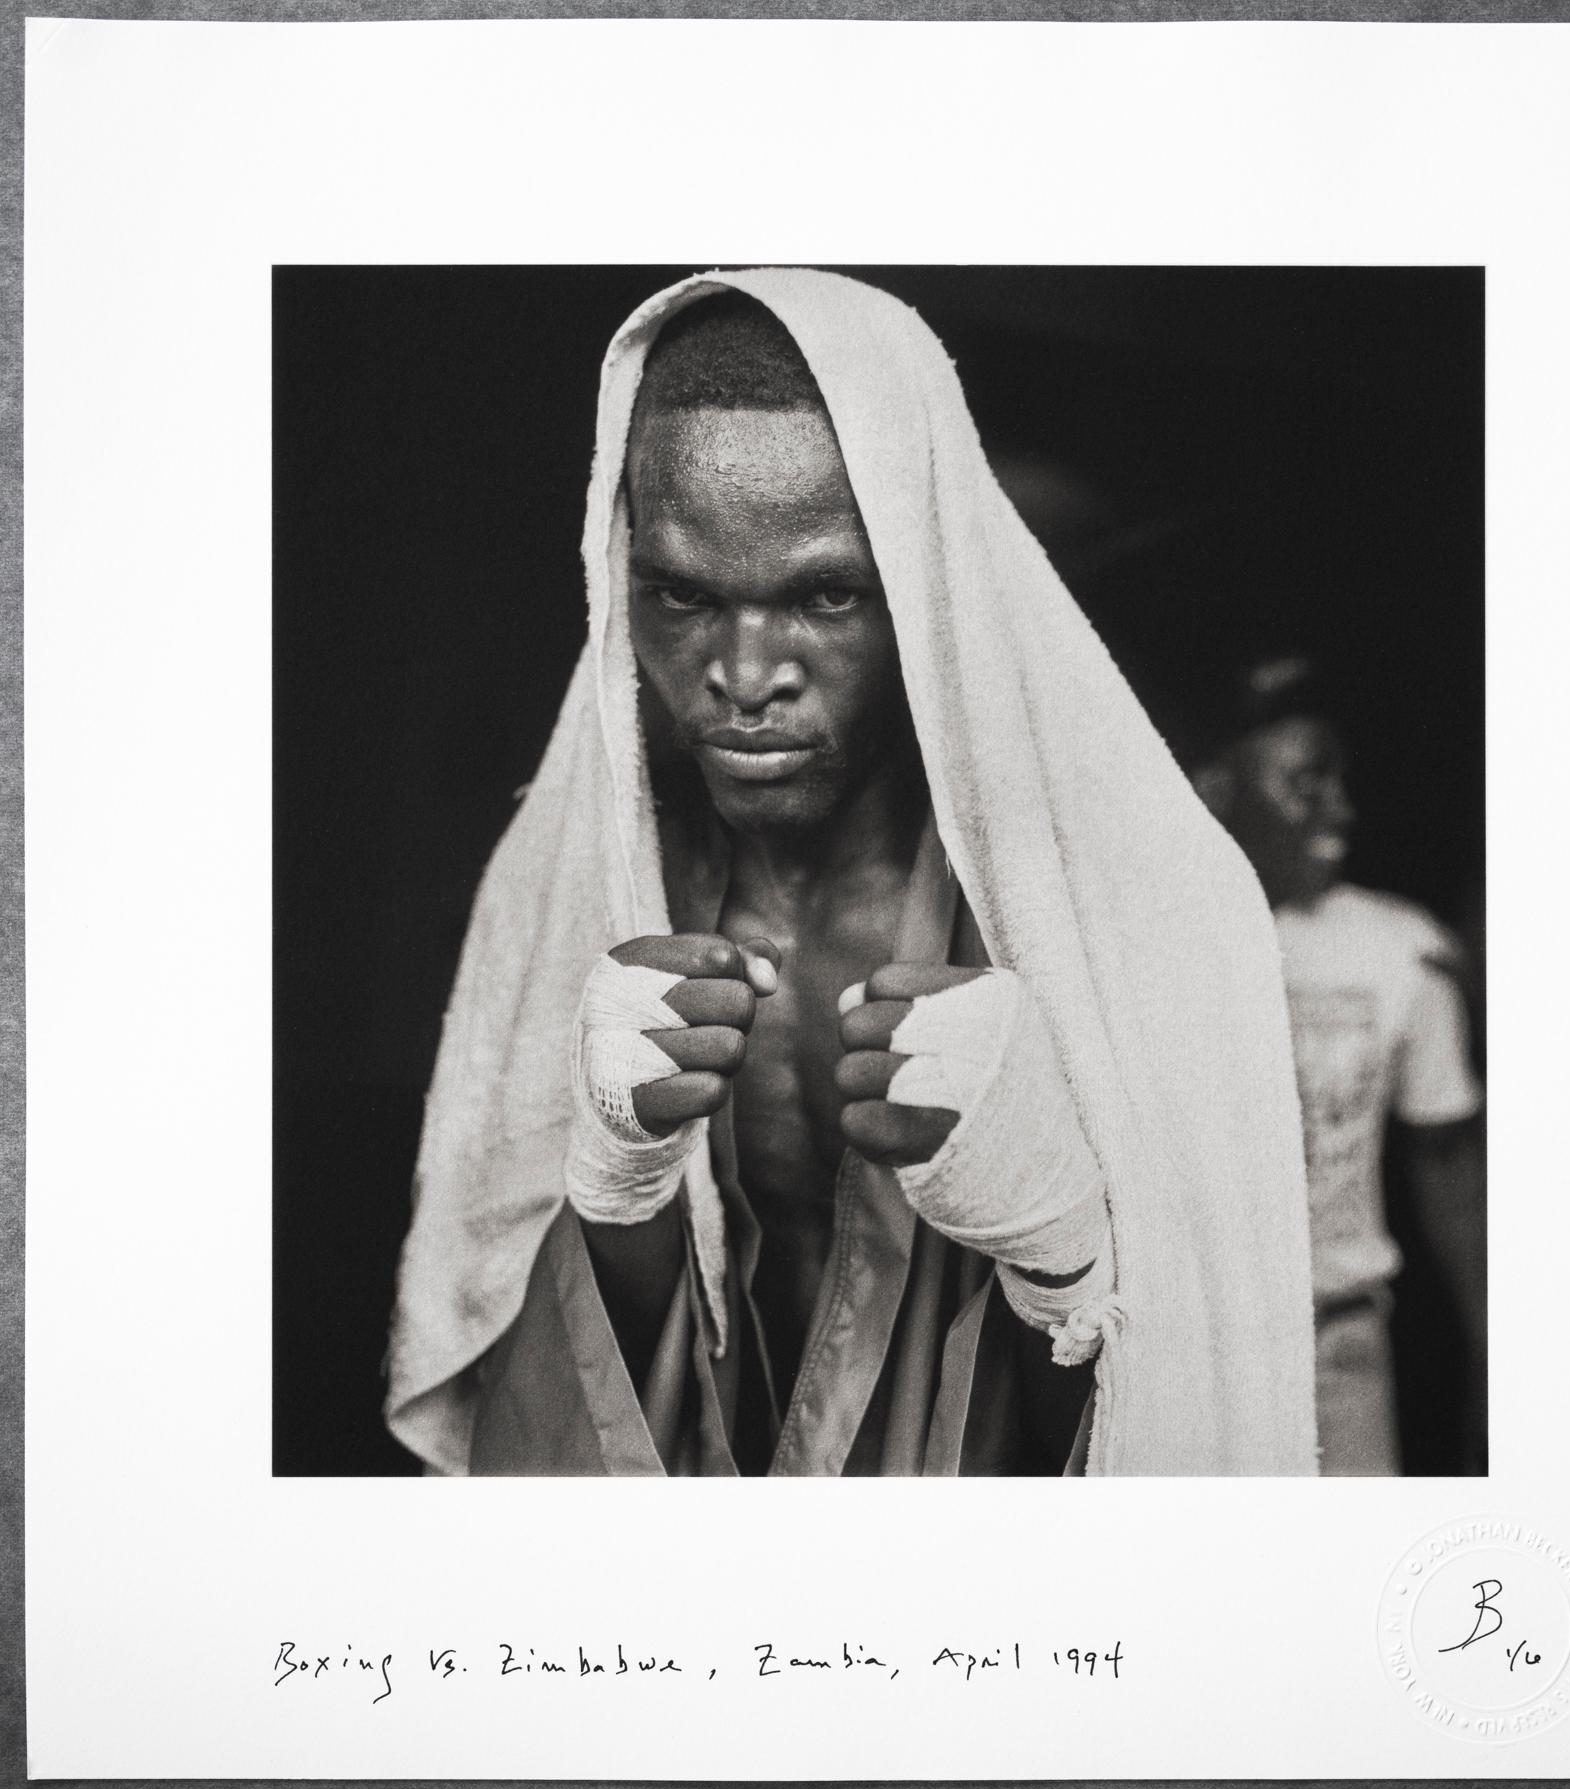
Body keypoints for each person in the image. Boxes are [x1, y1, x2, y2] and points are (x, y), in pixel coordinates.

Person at [384, 269, 1319, 1477]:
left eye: (825, 594)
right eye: (681, 595)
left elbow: (1201, 1436)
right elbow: (536, 1420)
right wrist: (618, 1197)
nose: (743, 671)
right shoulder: (570, 887)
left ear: (927, 591)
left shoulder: (1148, 908)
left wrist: (1061, 1259)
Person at [1189, 655, 1486, 1475]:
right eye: (1305, 782)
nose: (1341, 808)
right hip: (1191, 1350)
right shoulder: (1152, 947)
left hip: (1341, 1342)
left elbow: (1447, 1162)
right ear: (1215, 787)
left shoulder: (1401, 949)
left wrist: (1492, 1343)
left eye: (1341, 780)